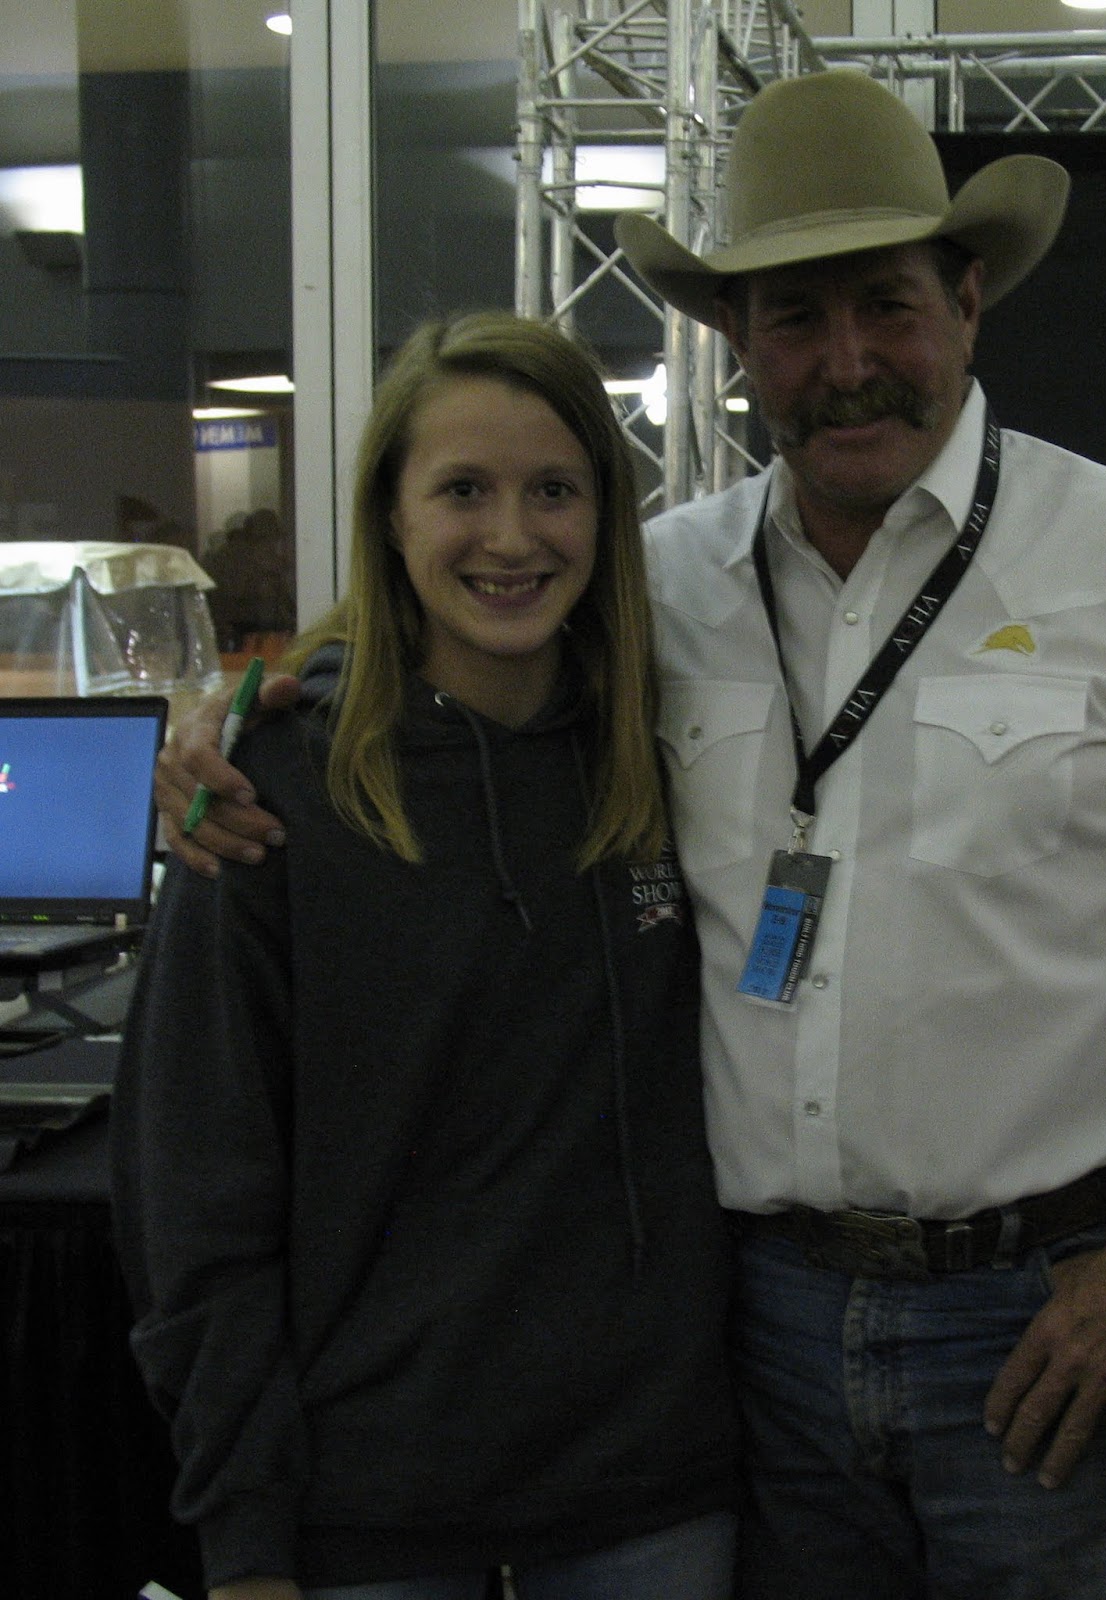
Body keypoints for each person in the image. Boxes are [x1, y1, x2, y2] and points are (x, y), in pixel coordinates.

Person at [155, 72, 1106, 1600]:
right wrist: (252, 703)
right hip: (750, 1345)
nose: (848, 363)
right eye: (795, 320)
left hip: (1052, 1322)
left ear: (968, 298)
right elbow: (456, 639)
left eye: (886, 307)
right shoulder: (657, 586)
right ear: (737, 345)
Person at [111, 313, 739, 1600]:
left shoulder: (673, 756)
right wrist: (242, 1547)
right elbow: (195, 1200)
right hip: (371, 1514)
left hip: (650, 1496)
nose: (512, 538)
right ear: (390, 519)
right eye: (462, 490)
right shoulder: (268, 791)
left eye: (553, 490)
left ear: (606, 519)